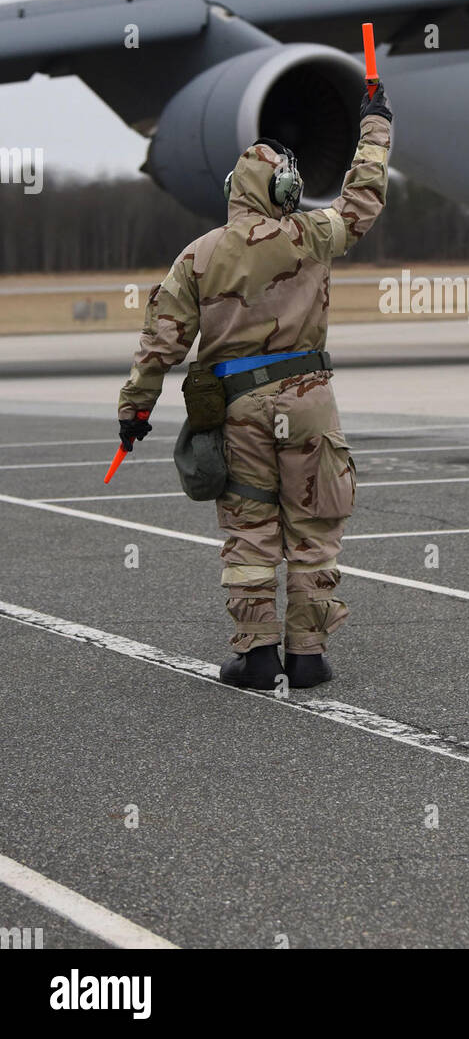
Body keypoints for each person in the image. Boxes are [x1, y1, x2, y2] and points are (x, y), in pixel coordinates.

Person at [116, 83, 393, 690]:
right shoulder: (314, 233)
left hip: (238, 409)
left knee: (250, 530)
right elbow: (362, 199)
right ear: (286, 190)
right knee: (314, 525)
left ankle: (257, 654)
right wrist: (374, 126)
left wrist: (134, 411)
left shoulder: (198, 255)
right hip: (309, 401)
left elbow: (160, 341)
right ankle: (309, 655)